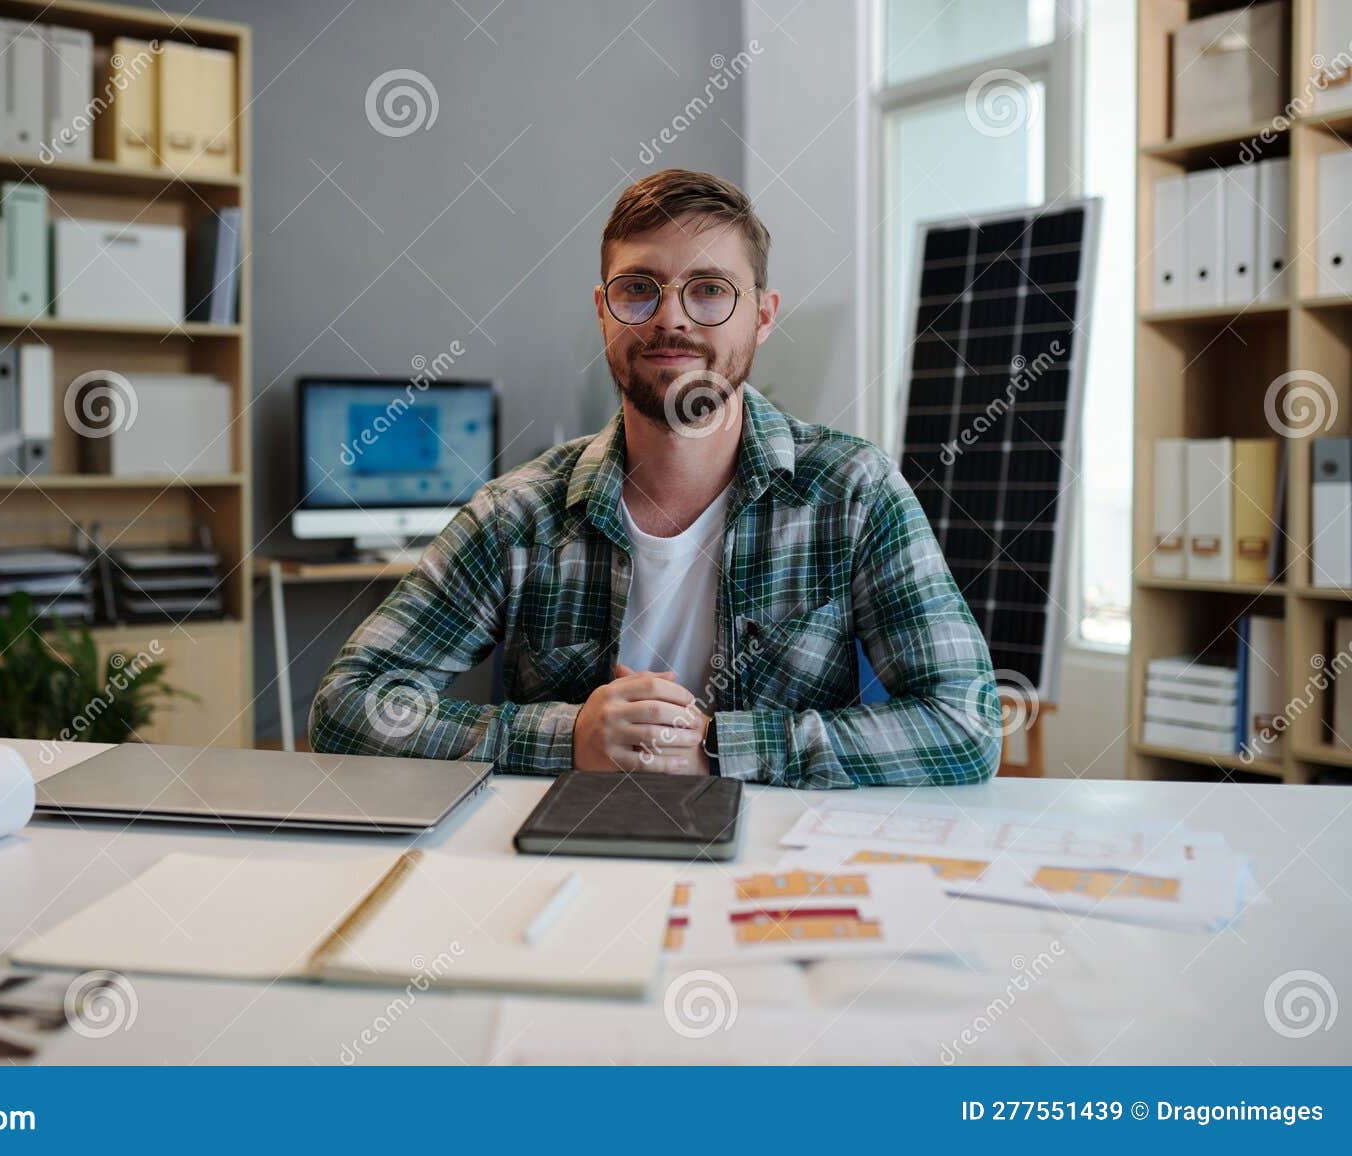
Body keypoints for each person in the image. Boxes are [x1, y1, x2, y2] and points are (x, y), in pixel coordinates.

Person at [309, 168, 1001, 788]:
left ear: (762, 316)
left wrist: (717, 747)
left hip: (773, 880)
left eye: (709, 291)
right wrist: (566, 737)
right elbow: (348, 706)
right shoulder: (517, 513)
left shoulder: (853, 491)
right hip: (565, 866)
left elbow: (967, 728)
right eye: (639, 290)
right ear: (603, 311)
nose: (671, 316)